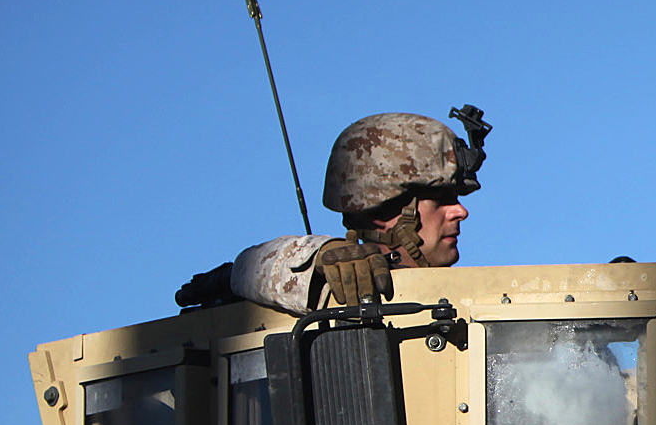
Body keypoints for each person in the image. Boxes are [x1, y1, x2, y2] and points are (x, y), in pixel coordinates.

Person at [182, 110, 487, 314]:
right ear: (384, 211)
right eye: (442, 201)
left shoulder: (477, 302)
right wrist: (318, 255)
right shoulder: (330, 293)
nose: (460, 212)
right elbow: (250, 270)